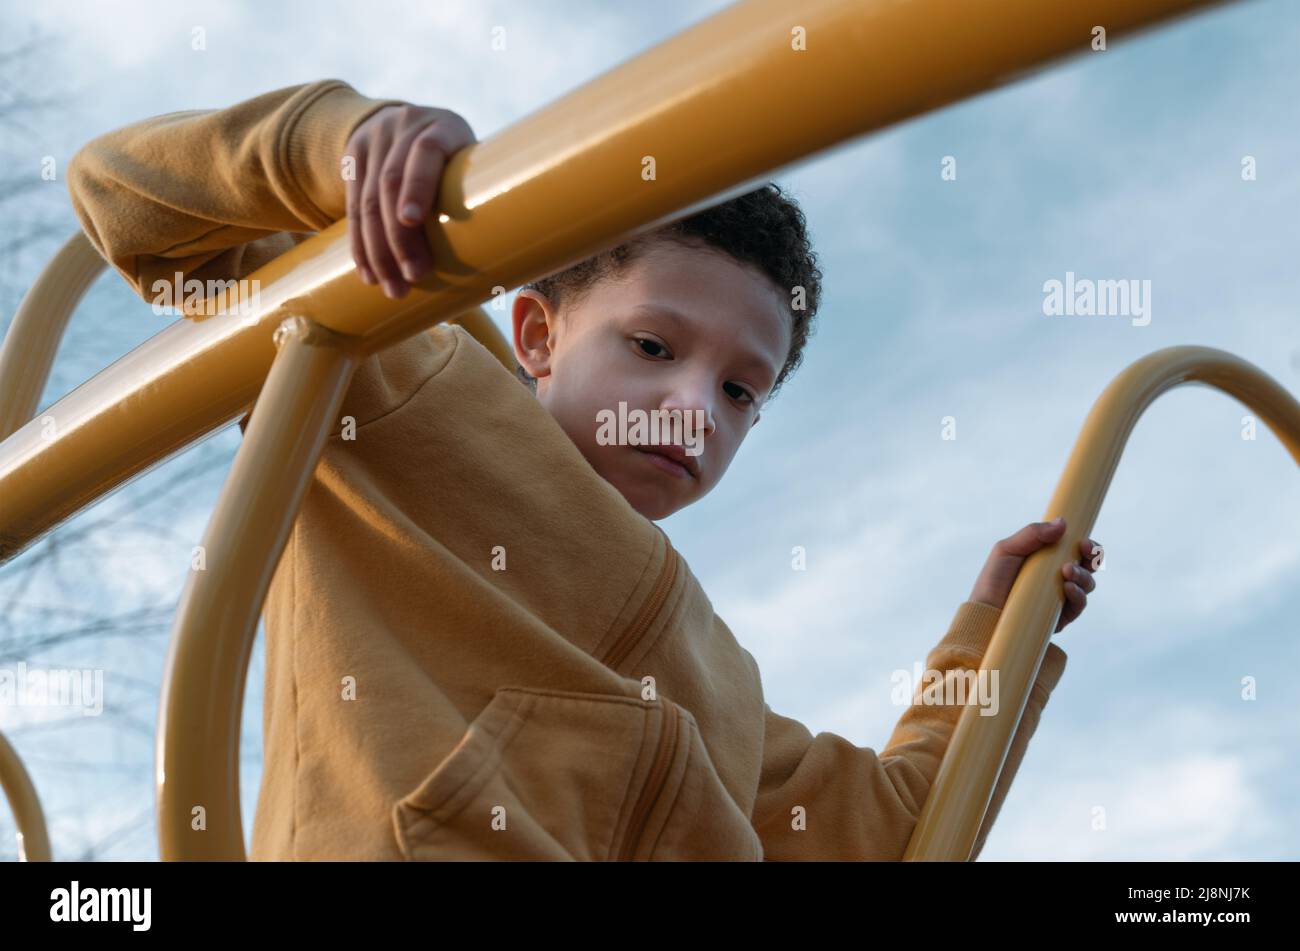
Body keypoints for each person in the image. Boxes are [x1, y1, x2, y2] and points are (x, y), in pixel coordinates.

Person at [66, 79, 1101, 860]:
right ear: (538, 333)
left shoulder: (718, 681)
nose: (696, 411)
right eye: (652, 347)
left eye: (743, 392)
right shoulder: (402, 375)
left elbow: (890, 834)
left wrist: (995, 632)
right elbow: (124, 198)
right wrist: (338, 148)